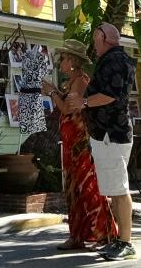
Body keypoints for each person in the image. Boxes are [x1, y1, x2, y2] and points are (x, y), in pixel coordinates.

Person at [66, 23, 137, 261]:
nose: (94, 47)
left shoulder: (115, 60)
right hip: (106, 133)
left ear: (106, 39)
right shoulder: (113, 60)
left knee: (119, 188)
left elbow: (112, 94)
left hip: (112, 133)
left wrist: (84, 103)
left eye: (96, 41)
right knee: (114, 189)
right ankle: (119, 240)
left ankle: (126, 242)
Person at [42, 39, 117, 252]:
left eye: (64, 58)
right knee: (73, 190)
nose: (61, 63)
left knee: (89, 189)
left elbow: (67, 108)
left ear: (73, 61)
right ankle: (77, 235)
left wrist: (52, 92)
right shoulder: (71, 82)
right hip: (70, 143)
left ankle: (105, 235)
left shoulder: (81, 82)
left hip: (81, 144)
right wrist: (55, 91)